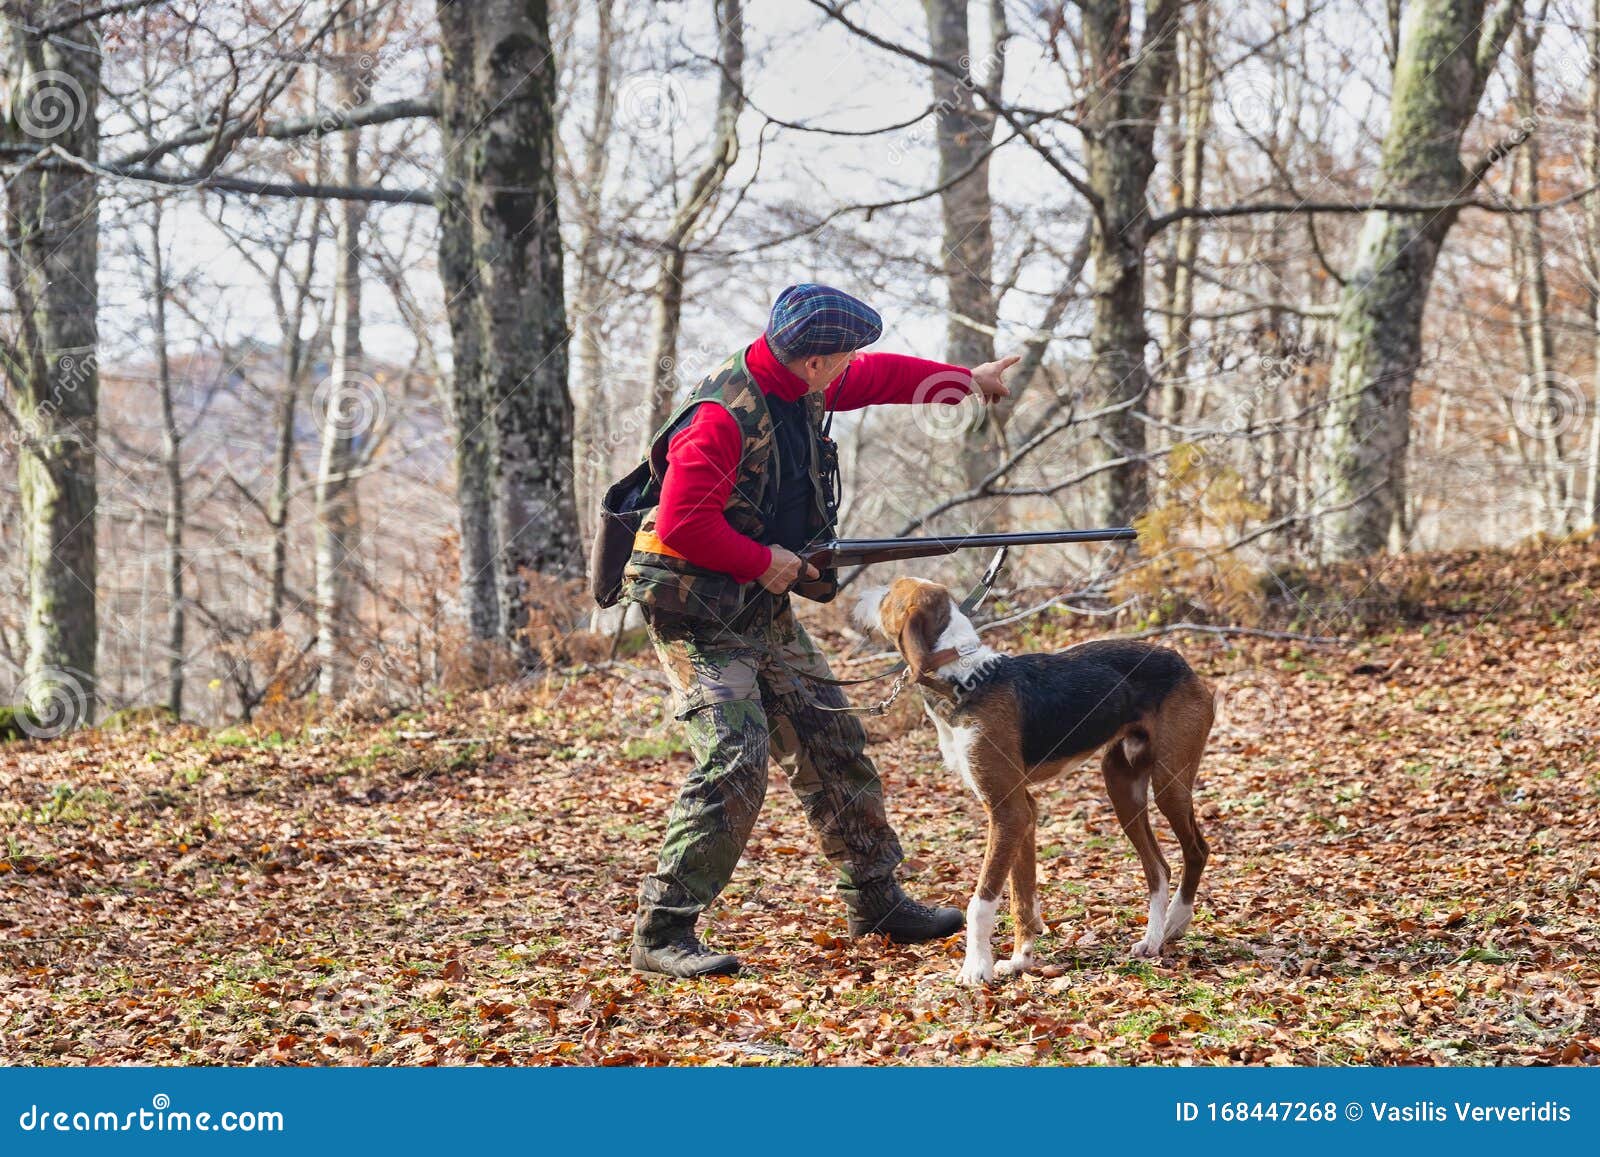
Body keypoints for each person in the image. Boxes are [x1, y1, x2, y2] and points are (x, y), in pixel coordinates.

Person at [622, 283, 1018, 977]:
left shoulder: (803, 379)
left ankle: (876, 898)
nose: (849, 367)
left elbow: (882, 376)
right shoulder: (719, 418)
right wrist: (764, 559)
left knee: (831, 733)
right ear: (813, 360)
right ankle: (663, 927)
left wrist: (965, 382)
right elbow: (684, 523)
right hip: (694, 610)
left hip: (755, 602)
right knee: (736, 755)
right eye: (842, 357)